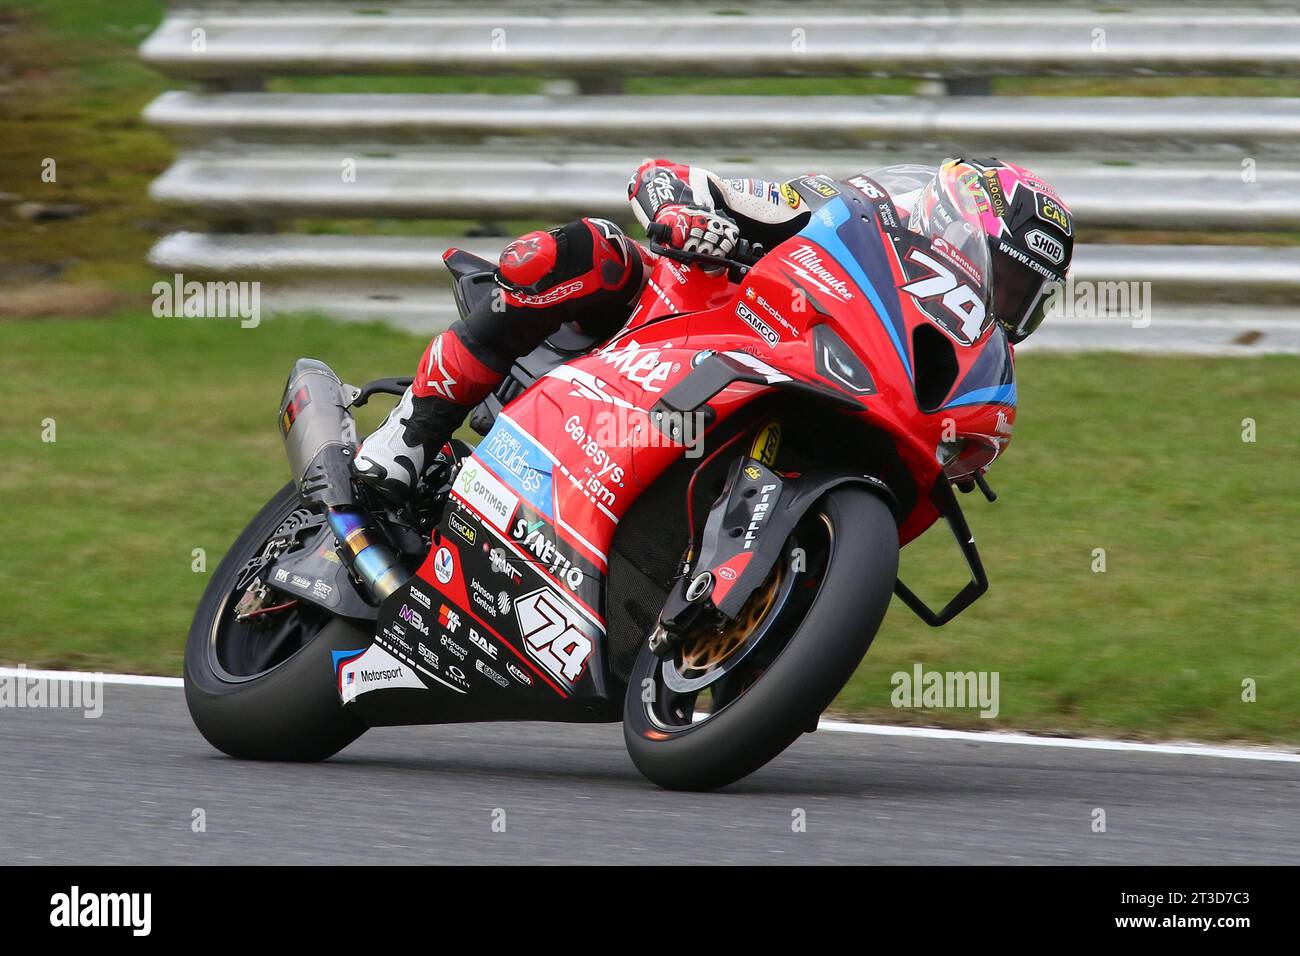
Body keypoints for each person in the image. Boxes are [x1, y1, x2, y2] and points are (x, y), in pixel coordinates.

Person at [353, 157, 1075, 502]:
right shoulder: (857, 207)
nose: (999, 298)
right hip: (668, 329)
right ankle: (411, 434)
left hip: (775, 396)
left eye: (1021, 294)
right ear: (954, 222)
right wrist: (686, 213)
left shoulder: (971, 346)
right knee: (588, 252)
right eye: (1002, 275)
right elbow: (672, 178)